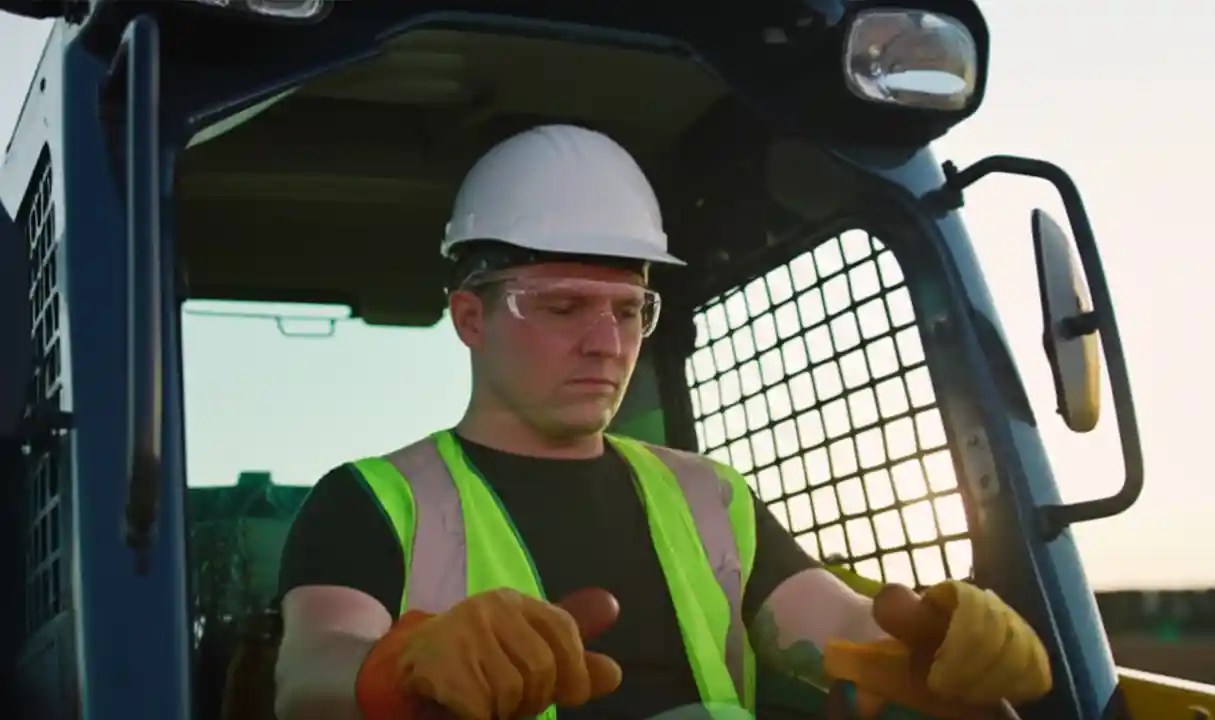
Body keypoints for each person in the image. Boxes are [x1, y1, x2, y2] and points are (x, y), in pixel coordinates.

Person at [271, 125, 1052, 720]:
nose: (607, 343)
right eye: (564, 305)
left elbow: (837, 627)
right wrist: (392, 673)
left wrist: (927, 649)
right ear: (470, 317)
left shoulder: (711, 496)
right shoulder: (371, 500)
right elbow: (310, 676)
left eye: (628, 310)